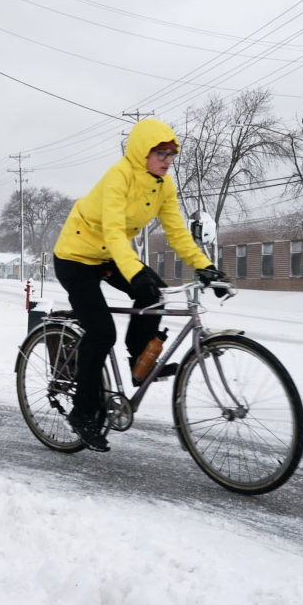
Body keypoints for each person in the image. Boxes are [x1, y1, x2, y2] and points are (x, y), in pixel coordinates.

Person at [52, 118, 226, 452]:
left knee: (154, 296)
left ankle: (138, 362)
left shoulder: (164, 185)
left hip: (108, 256)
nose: (167, 160)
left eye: (171, 154)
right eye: (160, 153)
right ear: (141, 151)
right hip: (75, 258)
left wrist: (206, 268)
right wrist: (135, 274)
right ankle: (83, 413)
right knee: (102, 333)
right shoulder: (119, 177)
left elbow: (176, 233)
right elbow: (114, 232)